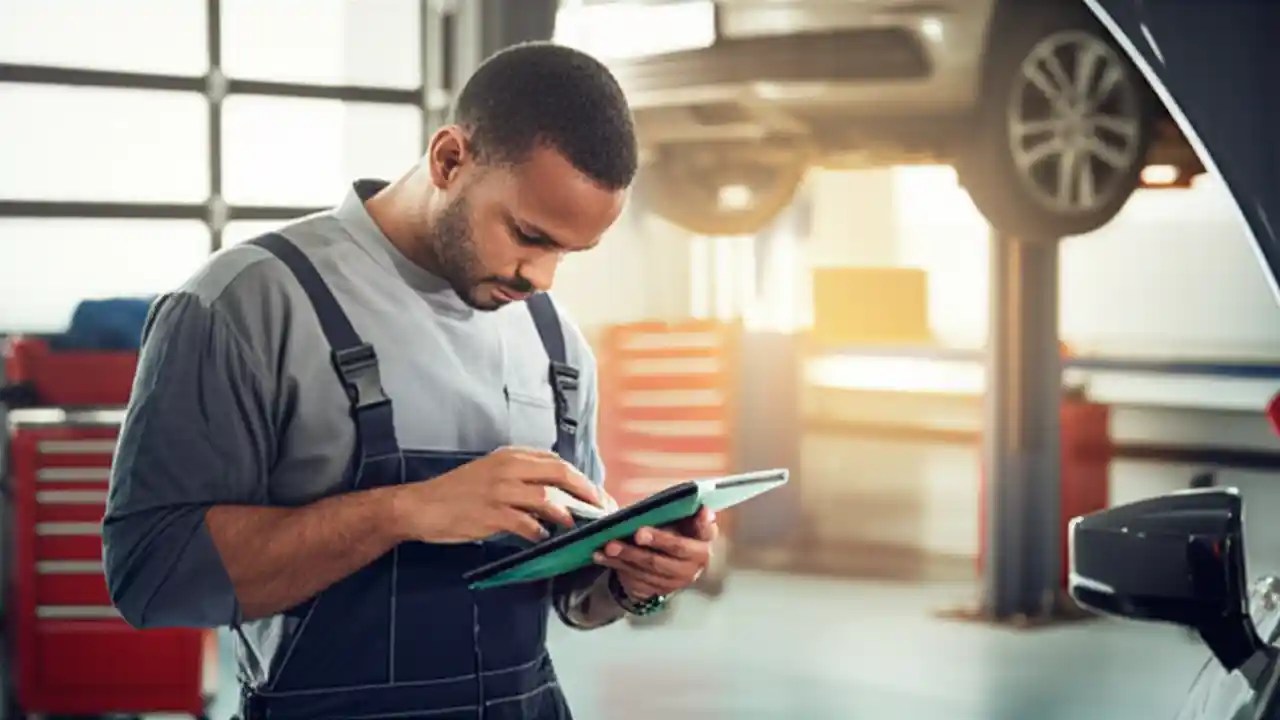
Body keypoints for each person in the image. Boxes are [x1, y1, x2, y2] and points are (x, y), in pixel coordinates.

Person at [102, 42, 717, 720]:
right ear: (450, 160)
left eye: (570, 253)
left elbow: (572, 597)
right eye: (527, 235)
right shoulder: (244, 305)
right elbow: (152, 577)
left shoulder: (555, 342)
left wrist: (636, 579)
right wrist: (405, 511)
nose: (540, 279)